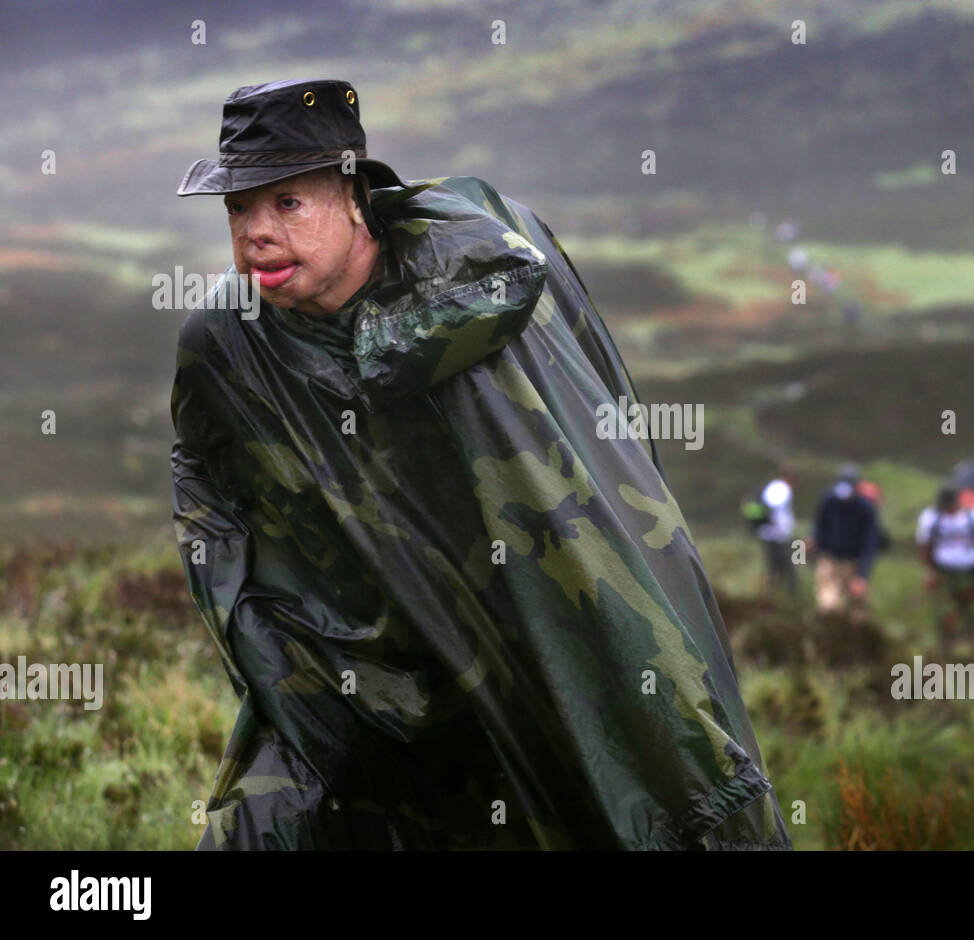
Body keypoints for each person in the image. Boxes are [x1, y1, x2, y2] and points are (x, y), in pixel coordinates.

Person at [170, 79, 791, 851]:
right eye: (238, 209)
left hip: (536, 629)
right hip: (357, 670)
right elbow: (210, 495)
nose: (256, 234)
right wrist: (291, 651)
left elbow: (588, 453)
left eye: (286, 204)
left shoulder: (472, 295)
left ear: (352, 193)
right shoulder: (229, 344)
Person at [916, 486, 974, 653]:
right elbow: (924, 545)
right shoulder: (931, 517)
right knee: (945, 613)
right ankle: (948, 651)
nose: (949, 509)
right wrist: (929, 572)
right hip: (945, 572)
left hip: (973, 571)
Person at [811, 464, 879, 617]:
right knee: (829, 607)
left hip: (852, 564)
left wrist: (862, 576)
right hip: (829, 561)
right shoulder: (828, 500)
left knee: (858, 612)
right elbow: (818, 526)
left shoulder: (866, 509)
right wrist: (810, 545)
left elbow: (870, 544)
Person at [754, 464, 797, 598]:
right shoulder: (783, 489)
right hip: (776, 537)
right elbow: (773, 506)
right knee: (789, 572)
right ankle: (788, 598)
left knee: (774, 568)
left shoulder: (773, 486)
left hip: (768, 535)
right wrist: (777, 525)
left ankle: (771, 597)